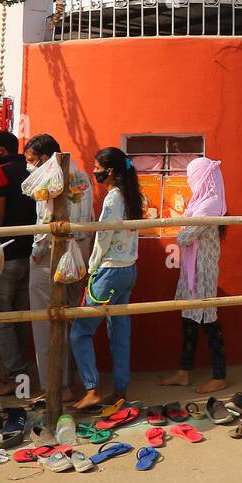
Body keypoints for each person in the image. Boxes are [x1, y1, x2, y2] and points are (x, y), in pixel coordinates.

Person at [69, 148, 142, 408]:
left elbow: (103, 237)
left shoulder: (113, 199)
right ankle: (120, 390)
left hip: (109, 272)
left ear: (110, 171)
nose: (94, 171)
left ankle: (91, 388)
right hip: (128, 270)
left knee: (80, 331)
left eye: (97, 167)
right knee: (120, 332)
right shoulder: (132, 195)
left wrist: (91, 266)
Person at [25, 133, 94, 400]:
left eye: (32, 160)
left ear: (44, 157)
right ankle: (70, 382)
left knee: (45, 323)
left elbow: (45, 223)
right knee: (72, 323)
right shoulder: (83, 176)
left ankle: (54, 385)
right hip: (79, 258)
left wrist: (36, 253)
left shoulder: (50, 178)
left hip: (51, 259)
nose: (30, 166)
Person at [161, 156, 230, 393]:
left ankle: (219, 375)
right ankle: (184, 371)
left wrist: (182, 229)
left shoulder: (209, 204)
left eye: (192, 176)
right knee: (189, 317)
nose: (190, 181)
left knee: (208, 319)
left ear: (202, 177)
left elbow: (185, 236)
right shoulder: (198, 202)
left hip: (203, 269)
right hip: (192, 268)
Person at [0, 131, 36, 396]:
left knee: (1, 320)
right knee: (18, 318)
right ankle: (22, 373)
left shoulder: (0, 172)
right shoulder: (31, 171)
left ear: (1, 150)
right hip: (29, 252)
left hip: (6, 253)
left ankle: (16, 376)